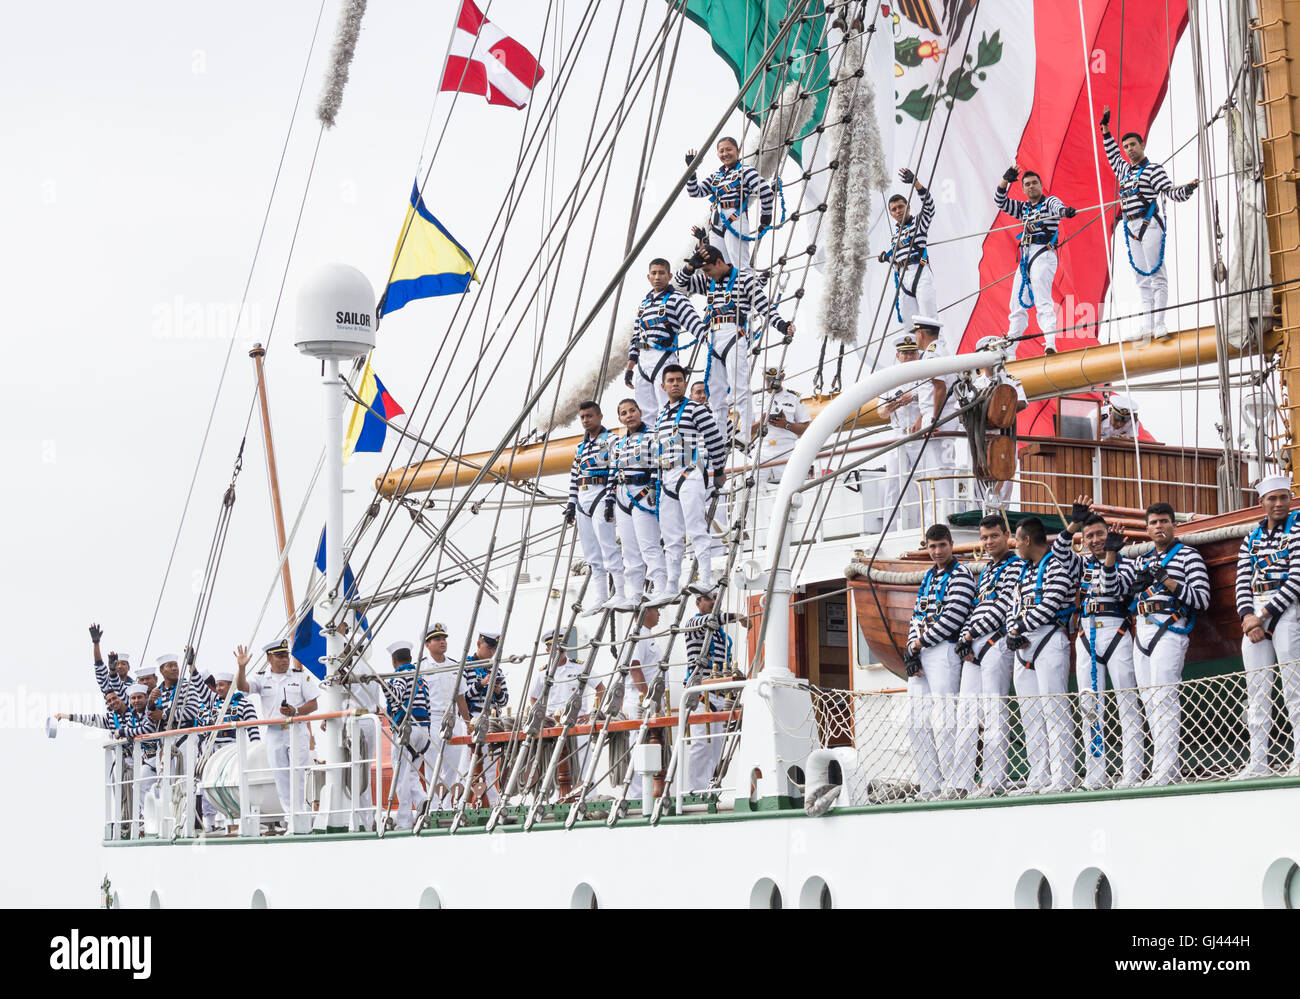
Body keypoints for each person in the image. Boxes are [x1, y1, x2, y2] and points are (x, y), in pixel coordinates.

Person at [1056, 498, 1144, 789]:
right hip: (1085, 636)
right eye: (1089, 536)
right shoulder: (1080, 564)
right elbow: (1058, 554)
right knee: (1090, 706)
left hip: (1116, 633)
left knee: (1127, 703)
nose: (1095, 540)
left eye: (1100, 535)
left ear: (1111, 536)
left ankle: (1132, 771)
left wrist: (1111, 555)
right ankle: (1096, 773)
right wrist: (1073, 525)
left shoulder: (1129, 564)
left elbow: (1111, 588)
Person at [675, 243, 794, 448]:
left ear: (719, 262)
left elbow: (764, 306)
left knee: (739, 386)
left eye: (708, 270)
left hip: (733, 333)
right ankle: (720, 436)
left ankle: (746, 433)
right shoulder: (708, 281)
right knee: (715, 391)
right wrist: (690, 267)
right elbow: (680, 284)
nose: (707, 275)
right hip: (713, 337)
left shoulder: (745, 279)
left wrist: (781, 325)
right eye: (704, 271)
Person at [1099, 105, 1198, 340]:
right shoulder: (1123, 170)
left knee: (1157, 276)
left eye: (1133, 145)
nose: (1129, 149)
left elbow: (1171, 192)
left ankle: (1160, 323)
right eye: (1126, 147)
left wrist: (1189, 188)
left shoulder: (1154, 169)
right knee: (1141, 278)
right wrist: (1105, 130)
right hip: (1130, 227)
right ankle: (1147, 325)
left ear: (1142, 145)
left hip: (1149, 224)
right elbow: (1112, 154)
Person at [1128, 502, 1210, 785]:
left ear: (1174, 524)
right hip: (1141, 630)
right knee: (1149, 702)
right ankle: (1163, 766)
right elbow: (1125, 597)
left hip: (1170, 628)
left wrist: (1169, 582)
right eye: (1153, 522)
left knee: (1165, 698)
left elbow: (1202, 599)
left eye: (1164, 521)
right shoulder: (1140, 560)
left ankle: (1165, 770)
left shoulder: (1189, 556)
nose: (1158, 527)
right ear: (1147, 528)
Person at [998, 516, 1080, 794]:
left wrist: (1019, 626)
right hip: (1022, 645)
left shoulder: (1056, 567)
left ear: (1027, 540)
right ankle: (1039, 777)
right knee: (1031, 715)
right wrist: (1011, 629)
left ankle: (1063, 777)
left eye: (1017, 540)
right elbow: (1014, 604)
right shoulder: (1023, 571)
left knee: (1055, 710)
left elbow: (1050, 604)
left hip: (1049, 639)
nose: (1015, 546)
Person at [904, 524, 977, 799]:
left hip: (944, 650)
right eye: (932, 547)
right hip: (922, 651)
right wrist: (911, 649)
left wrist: (918, 643)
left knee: (946, 719)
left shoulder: (961, 575)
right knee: (917, 720)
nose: (937, 551)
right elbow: (916, 615)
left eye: (942, 545)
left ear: (951, 543)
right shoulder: (928, 577)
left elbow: (953, 619)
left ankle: (954, 782)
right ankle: (929, 784)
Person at [1235, 474, 1300, 779]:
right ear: (1261, 502)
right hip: (1256, 613)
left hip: (1286, 611)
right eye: (1272, 499)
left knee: (1293, 688)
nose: (1278, 504)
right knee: (1256, 691)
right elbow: (1241, 582)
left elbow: (1297, 579)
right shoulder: (1251, 537)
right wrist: (1248, 618)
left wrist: (1261, 615)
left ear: (1290, 499)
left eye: (1283, 498)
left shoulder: (1298, 528)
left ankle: (1299, 758)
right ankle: (1257, 761)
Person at [956, 515, 1025, 796]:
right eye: (984, 538)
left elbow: (1004, 606)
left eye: (994, 536)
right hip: (974, 644)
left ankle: (993, 780)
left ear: (1006, 535)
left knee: (995, 713)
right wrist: (965, 637)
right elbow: (977, 607)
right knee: (967, 715)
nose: (988, 542)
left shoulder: (1017, 566)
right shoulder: (985, 570)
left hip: (997, 643)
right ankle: (961, 782)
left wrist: (971, 635)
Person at [653, 364, 728, 598]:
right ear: (663, 386)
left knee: (696, 528)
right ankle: (671, 585)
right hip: (667, 476)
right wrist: (657, 481)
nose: (675, 384)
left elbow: (715, 440)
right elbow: (657, 451)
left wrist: (718, 470)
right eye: (671, 380)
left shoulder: (696, 409)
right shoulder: (660, 415)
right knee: (671, 535)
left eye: (679, 380)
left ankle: (705, 578)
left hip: (690, 471)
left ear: (684, 383)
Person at [236, 639, 320, 833]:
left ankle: (299, 817)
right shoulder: (261, 679)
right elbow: (243, 687)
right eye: (280, 656)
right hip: (274, 733)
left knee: (297, 774)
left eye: (286, 656)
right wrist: (241, 668)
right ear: (269, 658)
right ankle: (292, 819)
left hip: (296, 729)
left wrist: (296, 711)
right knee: (281, 777)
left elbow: (313, 704)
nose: (284, 660)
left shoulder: (300, 677)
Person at [995, 165, 1077, 354]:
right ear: (1023, 189)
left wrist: (1065, 212)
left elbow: (1059, 208)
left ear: (1041, 186)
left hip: (1043, 253)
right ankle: (1010, 349)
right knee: (1016, 302)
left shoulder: (1049, 202)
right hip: (1025, 256)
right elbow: (1000, 201)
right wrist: (1005, 180)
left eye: (1034, 183)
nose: (1031, 187)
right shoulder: (1023, 208)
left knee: (1042, 298)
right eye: (1027, 184)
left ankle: (1050, 342)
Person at [680, 591, 749, 794]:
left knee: (717, 746)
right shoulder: (694, 624)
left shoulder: (721, 634)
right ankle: (696, 790)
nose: (713, 602)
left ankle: (712, 788)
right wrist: (738, 616)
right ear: (698, 602)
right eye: (709, 598)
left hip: (719, 695)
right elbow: (710, 619)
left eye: (715, 598)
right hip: (702, 695)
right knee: (701, 745)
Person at [565, 400, 629, 616]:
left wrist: (610, 499)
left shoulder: (612, 441)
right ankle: (600, 596)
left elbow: (615, 469)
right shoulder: (581, 447)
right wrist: (571, 504)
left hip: (601, 493)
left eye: (589, 416)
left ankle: (619, 591)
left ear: (600, 416)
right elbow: (575, 476)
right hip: (583, 497)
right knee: (591, 553)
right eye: (582, 417)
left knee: (608, 546)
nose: (585, 420)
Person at [625, 258, 709, 419]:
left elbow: (695, 326)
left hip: (663, 357)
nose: (657, 277)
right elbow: (636, 336)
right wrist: (630, 368)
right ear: (648, 277)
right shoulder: (644, 304)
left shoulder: (677, 299)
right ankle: (650, 441)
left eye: (661, 273)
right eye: (654, 273)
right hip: (643, 359)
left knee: (668, 405)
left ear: (669, 276)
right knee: (644, 411)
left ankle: (669, 440)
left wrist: (715, 345)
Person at [607, 398, 668, 605]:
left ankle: (660, 586)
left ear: (640, 412)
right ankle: (634, 593)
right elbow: (613, 471)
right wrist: (609, 500)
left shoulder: (652, 435)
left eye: (632, 411)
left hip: (642, 491)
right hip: (622, 494)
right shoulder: (620, 443)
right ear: (620, 418)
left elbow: (657, 463)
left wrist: (653, 487)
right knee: (629, 548)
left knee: (649, 544)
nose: (629, 415)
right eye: (624, 413)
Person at [684, 136, 775, 268]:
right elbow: (694, 192)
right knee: (718, 265)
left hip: (735, 219)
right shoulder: (716, 177)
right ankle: (725, 289)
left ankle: (744, 286)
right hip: (716, 224)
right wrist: (691, 170)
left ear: (738, 151)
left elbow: (766, 192)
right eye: (721, 151)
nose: (725, 154)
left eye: (729, 150)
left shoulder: (746, 171)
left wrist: (765, 218)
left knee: (739, 264)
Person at [967, 334, 1027, 511]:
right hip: (980, 440)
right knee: (979, 481)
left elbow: (1022, 402)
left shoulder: (1011, 381)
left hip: (1005, 438)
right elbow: (962, 412)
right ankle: (981, 515)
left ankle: (1003, 516)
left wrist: (999, 408)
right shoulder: (975, 385)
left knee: (1005, 480)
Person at [528, 628, 588, 799]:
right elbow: (533, 698)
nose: (558, 650)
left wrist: (592, 713)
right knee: (555, 764)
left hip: (578, 724)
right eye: (553, 647)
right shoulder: (543, 673)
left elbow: (600, 688)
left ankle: (586, 798)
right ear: (548, 650)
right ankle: (559, 799)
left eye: (561, 646)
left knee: (583, 763)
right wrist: (543, 716)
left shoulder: (579, 667)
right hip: (554, 725)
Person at [911, 318, 960, 521]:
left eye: (916, 334)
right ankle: (940, 515)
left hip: (939, 420)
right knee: (939, 470)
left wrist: (933, 421)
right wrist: (923, 417)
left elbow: (939, 388)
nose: (915, 338)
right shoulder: (942, 351)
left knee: (939, 471)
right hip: (940, 416)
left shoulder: (932, 355)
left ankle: (943, 517)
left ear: (921, 333)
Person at [877, 166, 937, 329]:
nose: (898, 211)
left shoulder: (919, 222)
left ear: (908, 206)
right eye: (894, 209)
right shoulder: (895, 236)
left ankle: (937, 353)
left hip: (920, 270)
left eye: (901, 207)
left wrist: (916, 183)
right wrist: (886, 257)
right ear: (891, 213)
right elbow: (895, 255)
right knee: (909, 324)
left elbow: (929, 207)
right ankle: (914, 354)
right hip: (903, 277)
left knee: (929, 319)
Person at [419, 623, 471, 809]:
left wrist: (468, 723)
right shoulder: (422, 668)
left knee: (453, 765)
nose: (442, 642)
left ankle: (448, 804)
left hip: (453, 720)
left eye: (443, 639)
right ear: (427, 644)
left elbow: (461, 698)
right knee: (432, 765)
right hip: (432, 721)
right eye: (437, 639)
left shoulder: (455, 666)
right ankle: (433, 806)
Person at [878, 333, 924, 530]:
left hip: (920, 433)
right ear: (898, 356)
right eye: (905, 354)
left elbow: (937, 400)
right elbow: (880, 411)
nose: (909, 357)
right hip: (898, 433)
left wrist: (912, 398)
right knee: (893, 483)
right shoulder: (889, 378)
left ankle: (927, 523)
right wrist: (890, 407)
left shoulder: (926, 374)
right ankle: (890, 528)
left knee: (924, 480)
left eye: (912, 353)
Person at [461, 629, 508, 806]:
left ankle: (491, 799)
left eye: (494, 649)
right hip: (472, 717)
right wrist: (481, 684)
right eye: (489, 647)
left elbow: (504, 700)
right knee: (469, 762)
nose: (492, 652)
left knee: (489, 762)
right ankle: (465, 800)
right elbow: (462, 696)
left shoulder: (497, 669)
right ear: (479, 644)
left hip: (492, 719)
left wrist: (497, 691)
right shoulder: (465, 666)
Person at [751, 367, 811, 485]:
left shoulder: (794, 397)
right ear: (764, 377)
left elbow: (805, 427)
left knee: (791, 487)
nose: (772, 382)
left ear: (783, 377)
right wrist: (761, 422)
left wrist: (786, 425)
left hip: (786, 450)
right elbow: (745, 431)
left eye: (776, 379)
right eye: (768, 379)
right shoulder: (755, 398)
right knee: (751, 488)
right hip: (762, 451)